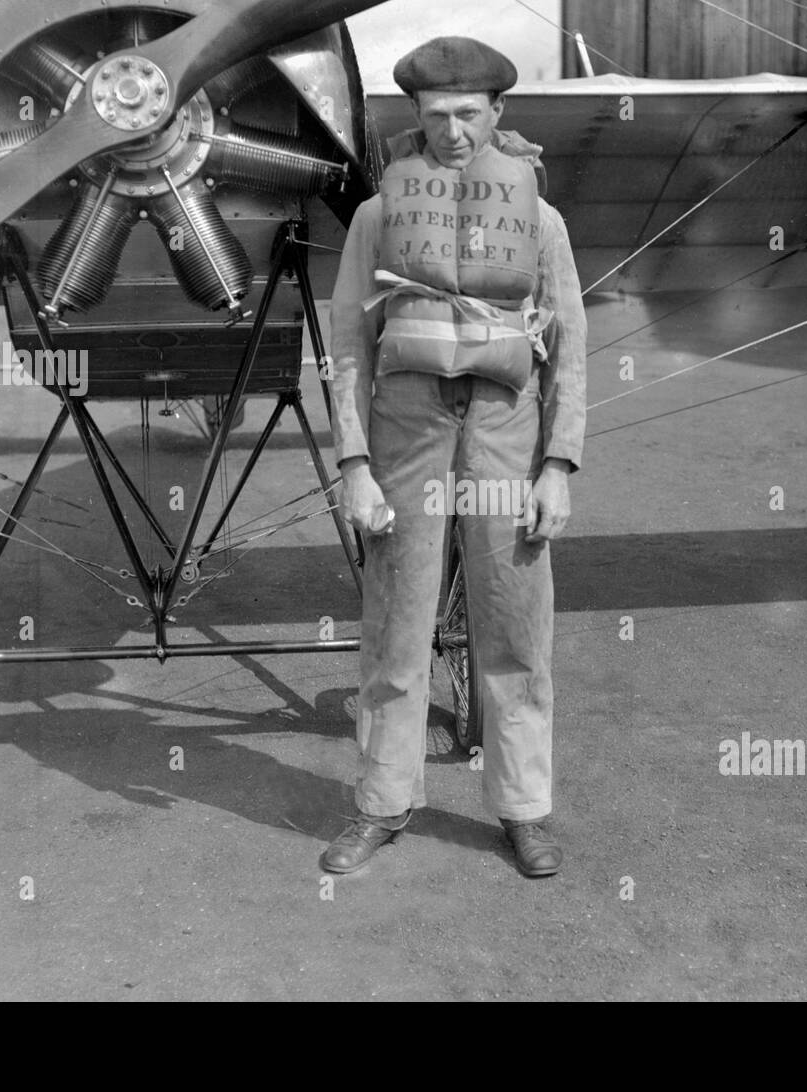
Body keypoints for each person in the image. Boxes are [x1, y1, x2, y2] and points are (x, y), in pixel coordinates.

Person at [322, 36, 586, 878]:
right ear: (416, 118)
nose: (454, 132)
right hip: (407, 437)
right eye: (437, 117)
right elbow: (346, 348)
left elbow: (570, 351)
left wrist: (559, 466)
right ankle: (381, 803)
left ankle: (523, 810)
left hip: (505, 439)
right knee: (395, 632)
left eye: (470, 114)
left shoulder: (540, 221)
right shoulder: (377, 218)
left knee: (514, 630)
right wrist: (355, 465)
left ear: (499, 112)